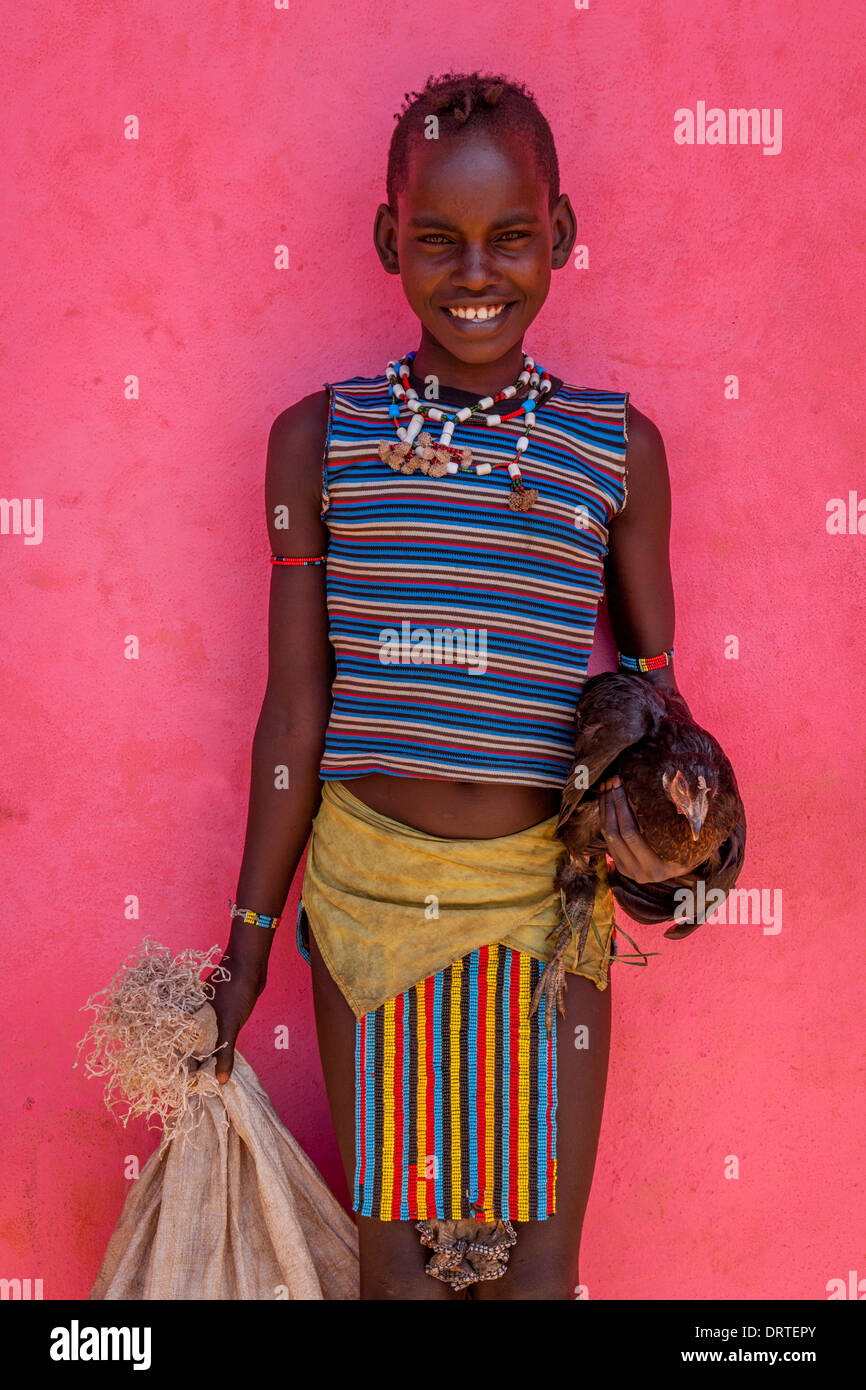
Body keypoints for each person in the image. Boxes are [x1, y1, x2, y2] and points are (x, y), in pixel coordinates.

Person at [210, 70, 746, 1301]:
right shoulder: (320, 440)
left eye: (511, 238)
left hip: (543, 901)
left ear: (556, 236)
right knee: (393, 1271)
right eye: (438, 239)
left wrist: (679, 825)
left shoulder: (615, 448)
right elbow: (297, 707)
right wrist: (246, 940)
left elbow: (654, 694)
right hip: (366, 894)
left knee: (538, 1270)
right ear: (387, 238)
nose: (476, 272)